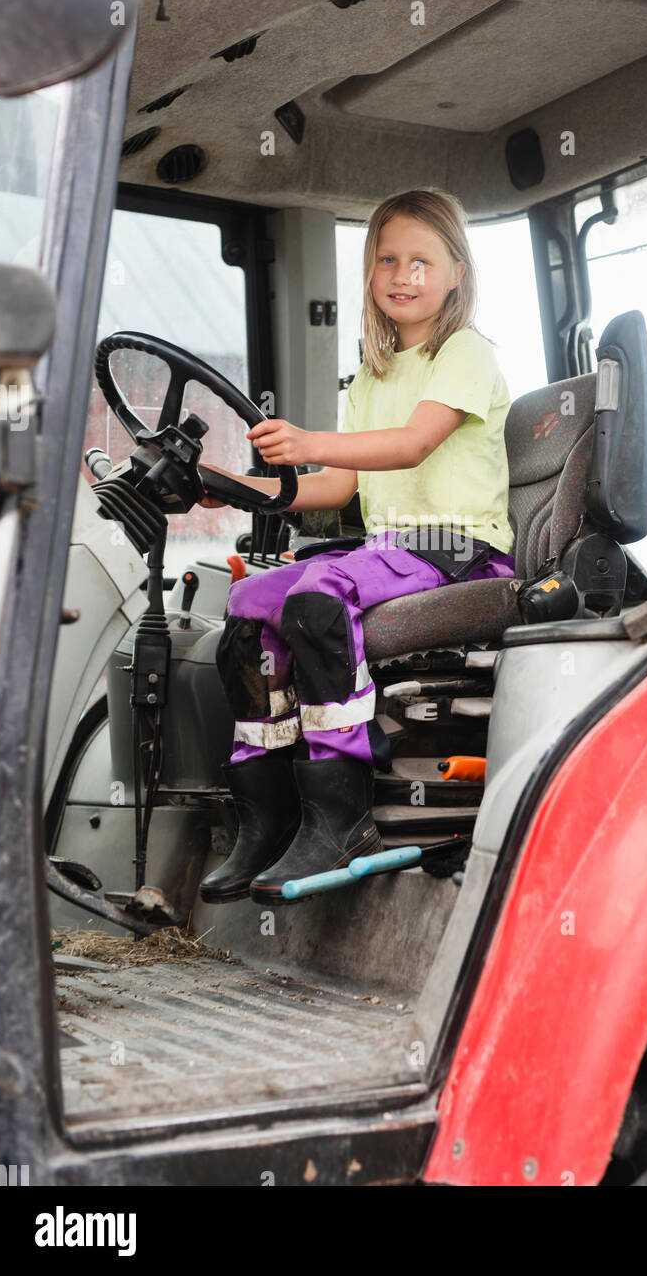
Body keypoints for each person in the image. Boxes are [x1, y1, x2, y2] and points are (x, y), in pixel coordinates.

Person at [197, 188, 515, 906]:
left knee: (317, 596)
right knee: (249, 603)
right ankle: (271, 813)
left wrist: (305, 440)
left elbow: (410, 445)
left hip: (461, 547)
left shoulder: (463, 353)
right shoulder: (370, 375)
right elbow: (337, 488)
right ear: (369, 273)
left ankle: (339, 814)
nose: (403, 276)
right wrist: (245, 487)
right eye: (387, 261)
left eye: (421, 262)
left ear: (457, 273)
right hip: (393, 549)